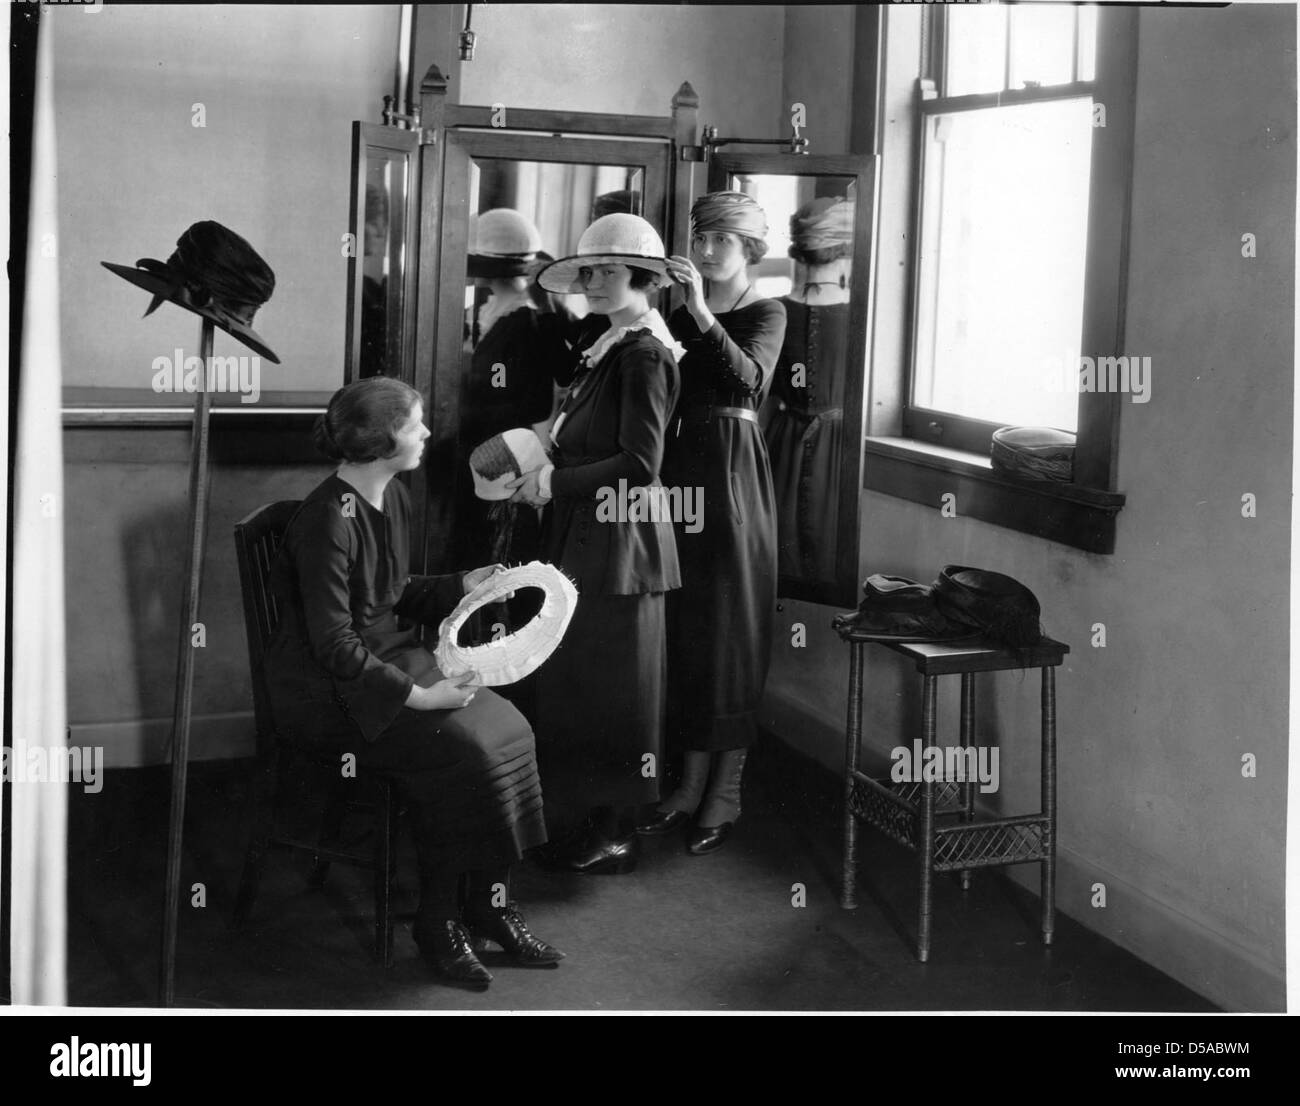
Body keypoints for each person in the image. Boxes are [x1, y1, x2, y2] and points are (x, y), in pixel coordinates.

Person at [262, 377, 563, 989]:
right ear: (380, 439)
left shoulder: (391, 496)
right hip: (334, 691)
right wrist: (421, 696)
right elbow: (334, 645)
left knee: (511, 729)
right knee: (466, 752)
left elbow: (395, 594)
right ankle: (437, 921)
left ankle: (491, 904)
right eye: (415, 424)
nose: (427, 432)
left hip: (389, 660)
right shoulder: (326, 521)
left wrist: (462, 582)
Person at [510, 213, 683, 874]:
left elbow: (642, 463)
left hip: (622, 538)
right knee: (586, 680)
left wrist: (554, 482)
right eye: (587, 270)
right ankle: (591, 817)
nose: (593, 282)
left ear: (643, 277)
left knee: (617, 685)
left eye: (608, 270)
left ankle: (615, 829)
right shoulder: (608, 343)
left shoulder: (644, 351)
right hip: (590, 530)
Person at [640, 191, 787, 855]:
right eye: (699, 238)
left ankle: (725, 789)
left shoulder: (767, 310)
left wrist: (698, 310)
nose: (702, 252)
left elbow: (748, 380)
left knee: (731, 629)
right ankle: (688, 784)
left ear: (748, 249)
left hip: (734, 477)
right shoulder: (678, 310)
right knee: (691, 626)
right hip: (682, 471)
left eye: (719, 242)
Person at [765, 196, 855, 584]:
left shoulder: (774, 309)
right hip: (840, 446)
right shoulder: (859, 313)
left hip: (782, 439)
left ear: (799, 252)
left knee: (780, 539)